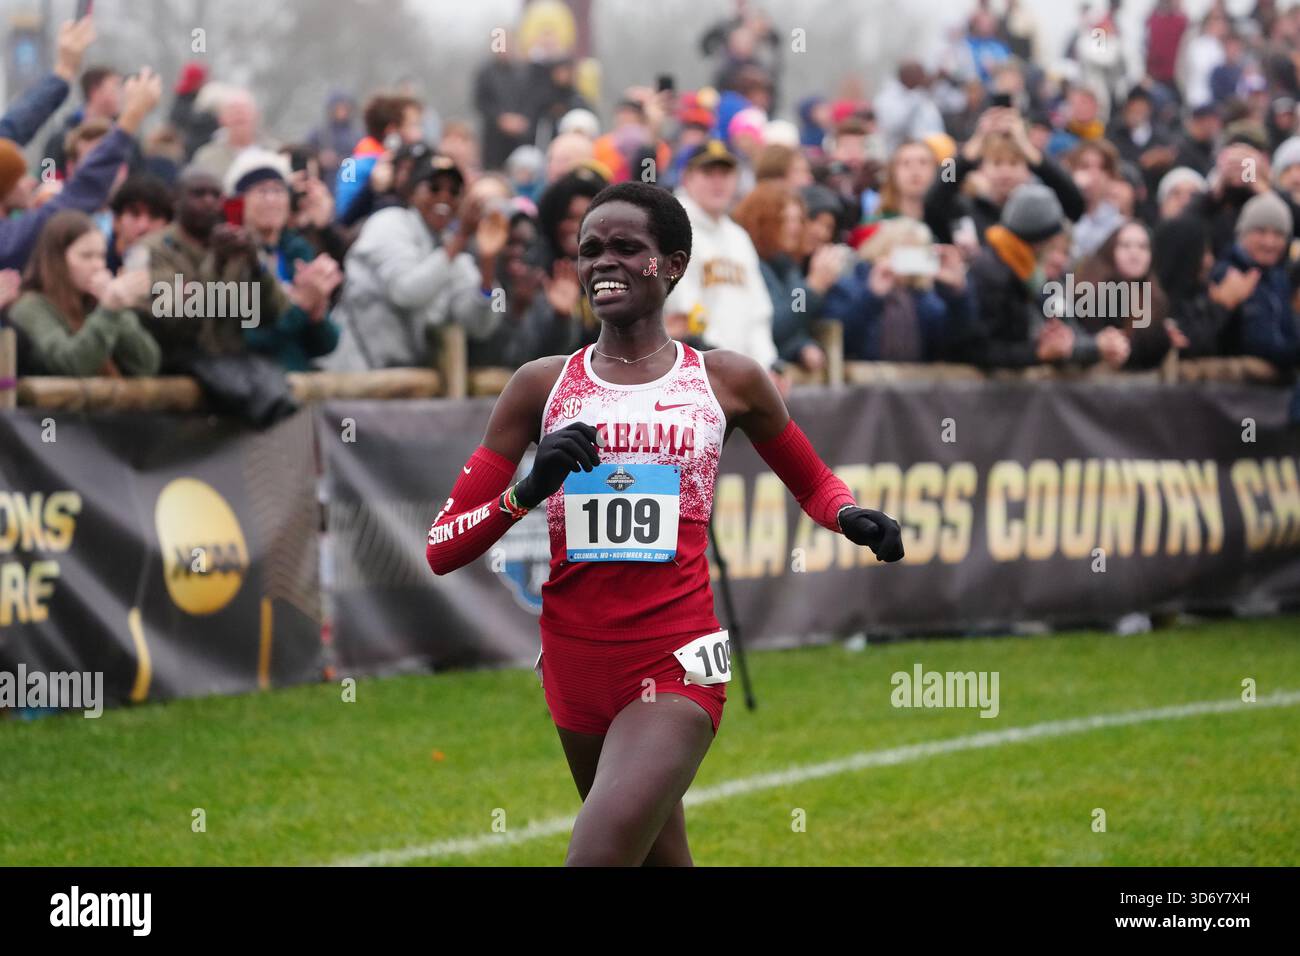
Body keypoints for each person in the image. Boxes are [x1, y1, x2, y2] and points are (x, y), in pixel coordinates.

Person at [424, 180, 903, 866]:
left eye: (627, 248)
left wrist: (851, 516)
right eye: (590, 251)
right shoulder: (541, 385)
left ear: (672, 264)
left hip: (677, 662)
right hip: (574, 665)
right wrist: (529, 489)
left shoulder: (727, 380)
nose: (604, 263)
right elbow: (443, 547)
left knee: (597, 856)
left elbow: (813, 482)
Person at [323, 155, 506, 371]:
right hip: (348, 372)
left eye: (454, 191)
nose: (444, 197)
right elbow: (405, 292)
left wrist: (487, 265)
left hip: (398, 384)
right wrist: (461, 239)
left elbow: (482, 325)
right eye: (434, 188)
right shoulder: (388, 222)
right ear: (412, 193)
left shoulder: (454, 251)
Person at [666, 140, 780, 383]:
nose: (718, 181)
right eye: (708, 173)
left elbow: (758, 313)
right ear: (687, 178)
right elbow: (684, 310)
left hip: (739, 377)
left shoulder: (739, 237)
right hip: (692, 372)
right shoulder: (672, 227)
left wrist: (767, 363)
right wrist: (724, 363)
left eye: (725, 173)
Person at [225, 149, 342, 371]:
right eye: (261, 192)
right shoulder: (227, 257)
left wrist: (317, 314)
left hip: (298, 382)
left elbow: (325, 344)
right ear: (239, 203)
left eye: (278, 191)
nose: (271, 200)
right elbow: (243, 338)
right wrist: (299, 306)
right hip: (250, 383)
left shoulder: (297, 252)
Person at [9, 209, 158, 377]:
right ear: (57, 259)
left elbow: (146, 364)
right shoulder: (29, 308)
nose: (98, 265)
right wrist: (108, 311)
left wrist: (118, 309)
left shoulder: (94, 303)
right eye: (86, 256)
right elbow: (70, 365)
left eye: (101, 256)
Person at [823, 218, 973, 363]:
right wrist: (871, 296)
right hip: (859, 383)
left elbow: (955, 341)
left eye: (918, 251)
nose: (910, 259)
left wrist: (958, 293)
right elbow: (837, 338)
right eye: (904, 249)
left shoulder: (924, 298)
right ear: (882, 248)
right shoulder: (849, 286)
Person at [732, 181, 840, 372]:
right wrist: (812, 288)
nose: (795, 227)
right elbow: (773, 328)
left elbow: (795, 317)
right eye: (785, 219)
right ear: (761, 220)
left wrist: (802, 345)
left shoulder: (788, 266)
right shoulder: (751, 263)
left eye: (799, 219)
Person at [1211, 190, 1300, 371]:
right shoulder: (1227, 274)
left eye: (1278, 234)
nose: (1269, 242)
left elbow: (1287, 331)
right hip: (1234, 390)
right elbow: (1256, 343)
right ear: (1242, 233)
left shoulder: (1279, 277)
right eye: (1260, 231)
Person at [106, 173, 173, 273]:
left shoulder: (179, 269)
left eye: (154, 216)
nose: (143, 226)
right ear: (116, 221)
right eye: (134, 214)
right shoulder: (96, 265)